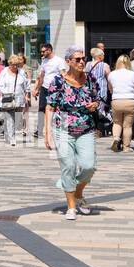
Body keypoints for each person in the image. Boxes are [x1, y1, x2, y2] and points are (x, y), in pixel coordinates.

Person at [45, 45, 104, 222]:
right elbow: (50, 107)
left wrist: (95, 105)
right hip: (63, 129)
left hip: (86, 127)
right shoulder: (58, 81)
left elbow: (97, 98)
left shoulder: (91, 79)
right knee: (68, 166)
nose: (81, 62)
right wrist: (47, 133)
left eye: (83, 58)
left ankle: (78, 192)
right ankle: (71, 207)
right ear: (68, 61)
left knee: (89, 165)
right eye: (77, 59)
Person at [107, 55, 134, 153]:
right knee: (127, 126)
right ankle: (126, 147)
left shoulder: (112, 74)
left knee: (117, 122)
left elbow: (110, 89)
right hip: (130, 101)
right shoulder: (132, 74)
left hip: (116, 101)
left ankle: (116, 139)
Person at [0, 55, 30, 145]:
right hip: (7, 98)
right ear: (9, 64)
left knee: (17, 119)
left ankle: (8, 133)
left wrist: (27, 95)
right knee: (10, 118)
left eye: (17, 65)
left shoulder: (21, 72)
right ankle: (12, 138)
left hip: (19, 98)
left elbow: (26, 85)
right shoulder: (4, 72)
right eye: (13, 65)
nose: (15, 67)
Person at [33, 43, 64, 138]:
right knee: (41, 108)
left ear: (49, 50)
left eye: (44, 51)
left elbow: (63, 74)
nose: (42, 53)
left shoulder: (59, 61)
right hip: (45, 88)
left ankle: (57, 129)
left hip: (56, 90)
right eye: (41, 51)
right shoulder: (44, 61)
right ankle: (39, 130)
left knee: (55, 109)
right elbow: (42, 75)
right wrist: (37, 89)